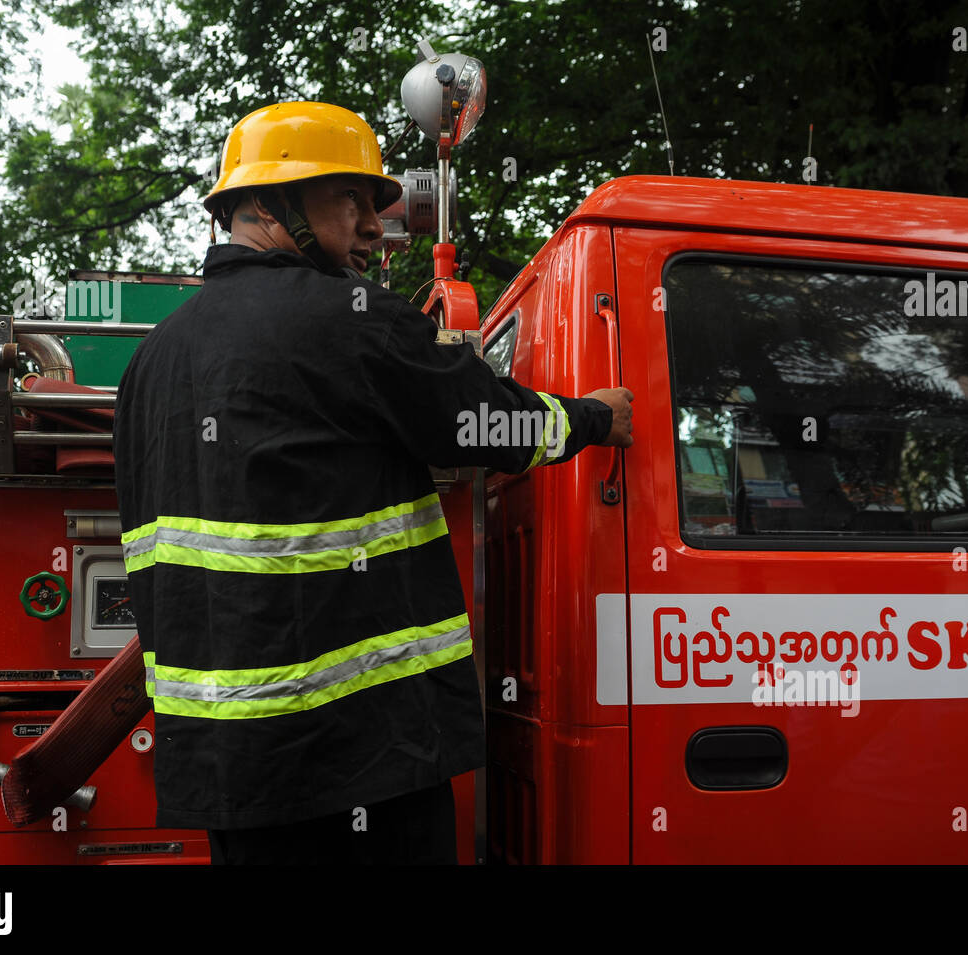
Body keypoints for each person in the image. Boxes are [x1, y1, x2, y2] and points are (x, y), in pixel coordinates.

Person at [112, 101, 634, 865]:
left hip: (229, 777)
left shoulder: (149, 365)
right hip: (357, 763)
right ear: (266, 204)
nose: (372, 225)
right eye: (347, 199)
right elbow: (489, 423)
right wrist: (595, 418)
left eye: (373, 204)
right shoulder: (346, 320)